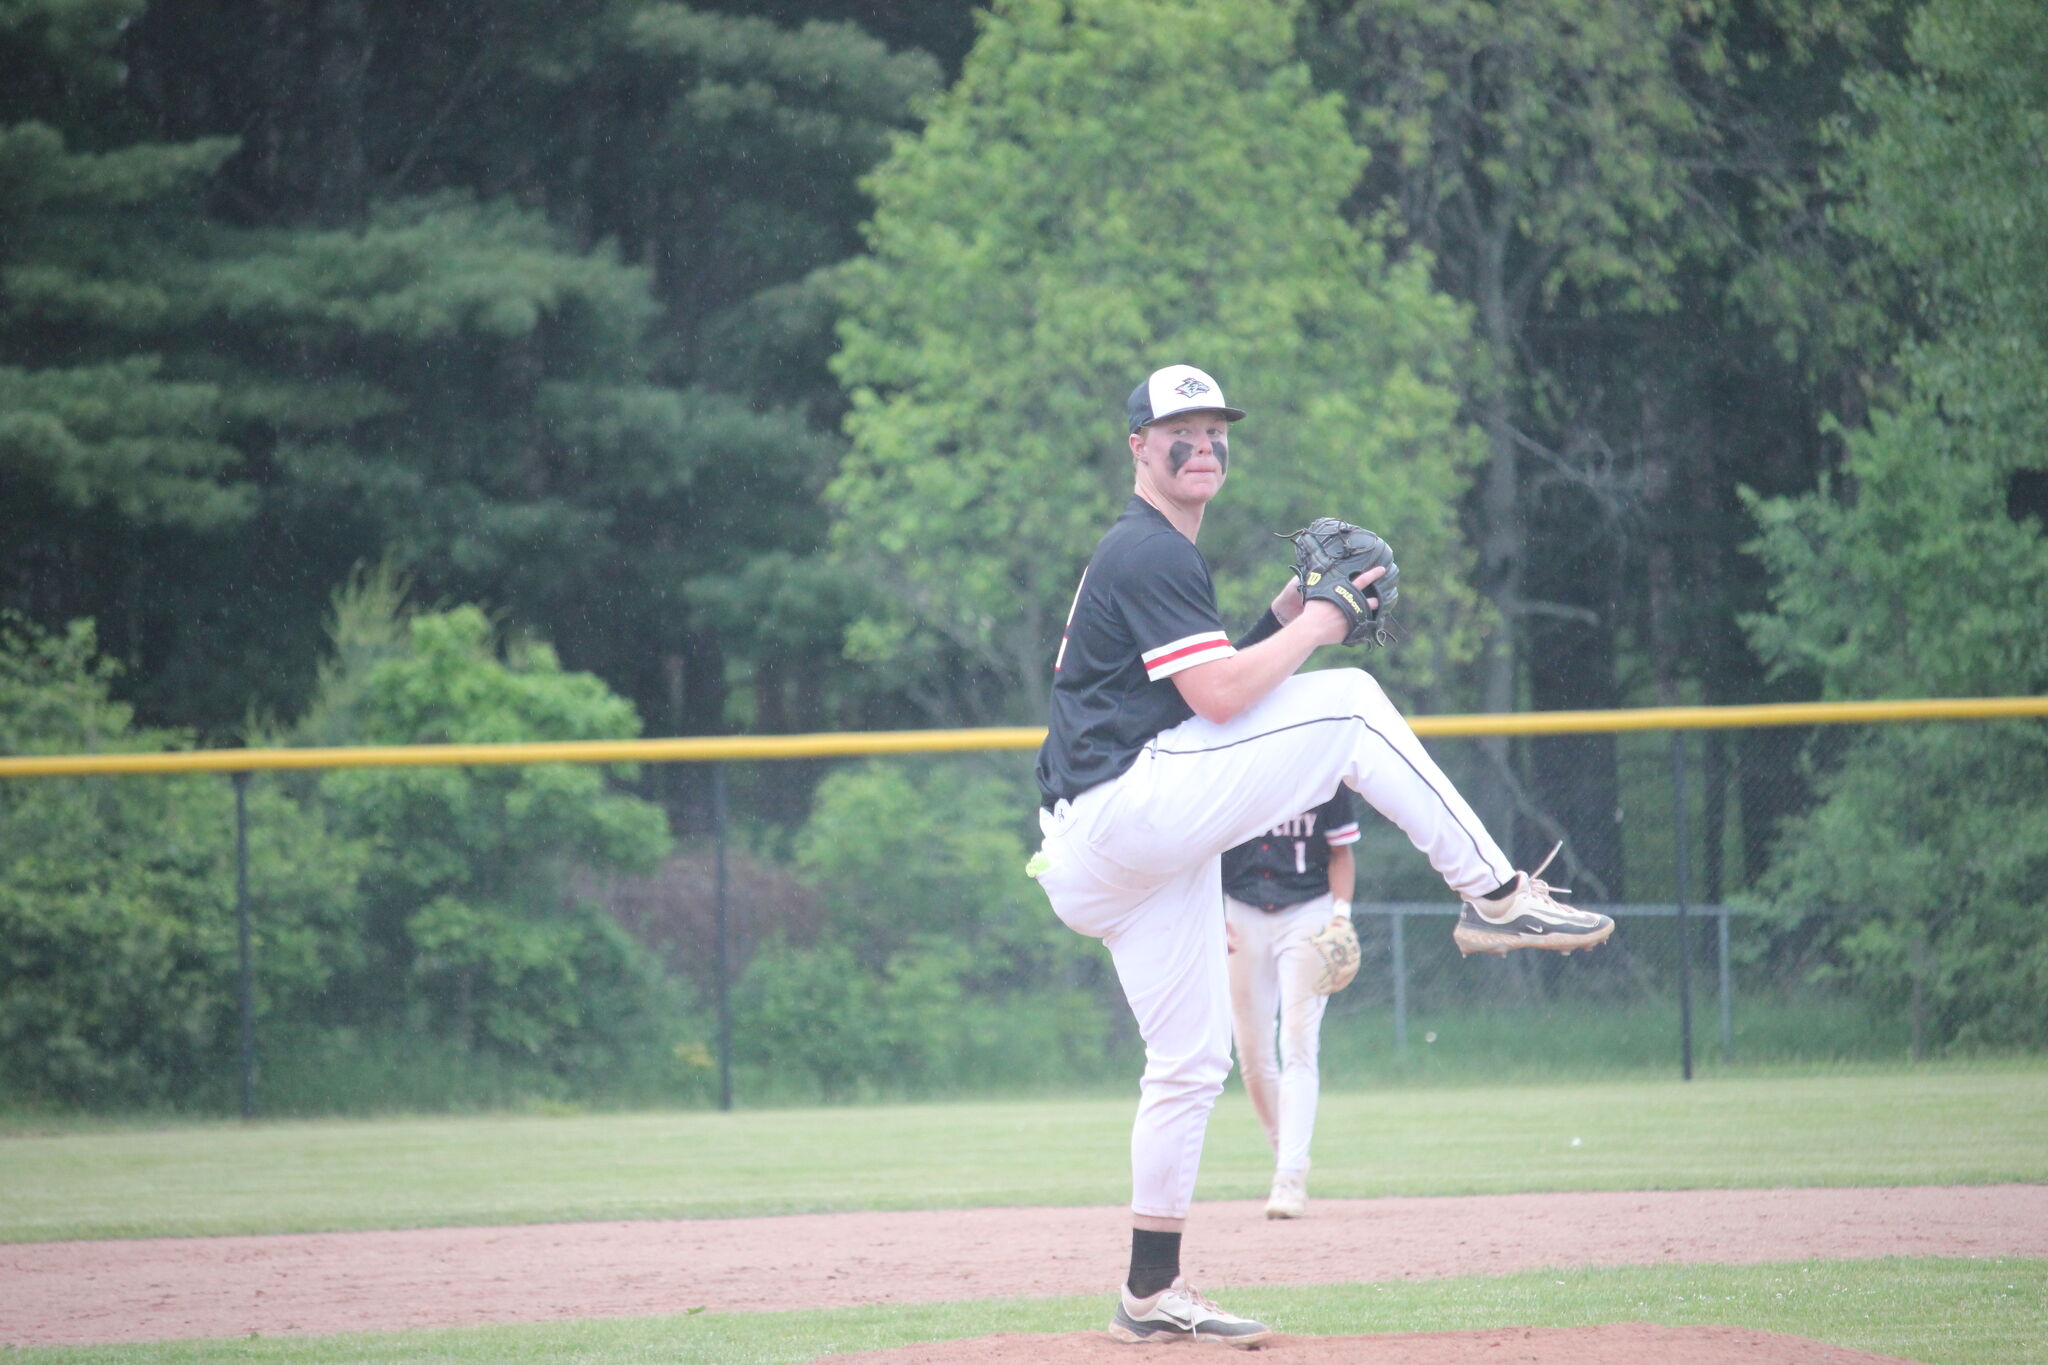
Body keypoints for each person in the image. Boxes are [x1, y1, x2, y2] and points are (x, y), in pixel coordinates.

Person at [1028, 363, 1613, 1349]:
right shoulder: (1149, 552)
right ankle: (1493, 893)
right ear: (1136, 446)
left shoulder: (1144, 557)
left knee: (1187, 1064)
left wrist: (1285, 611)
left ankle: (1149, 1291)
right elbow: (1218, 704)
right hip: (1122, 812)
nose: (1201, 443)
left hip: (1097, 851)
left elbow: (1195, 690)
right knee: (1345, 705)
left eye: (1214, 429)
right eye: (1178, 429)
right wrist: (1323, 619)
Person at [1222, 787, 1360, 1221]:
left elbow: (1341, 852)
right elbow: (1200, 854)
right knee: (1251, 1053)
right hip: (1238, 911)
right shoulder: (1232, 768)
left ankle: (1288, 1177)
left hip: (1308, 910)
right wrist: (1209, 911)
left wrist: (1341, 914)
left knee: (1298, 1039)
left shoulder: (1323, 771)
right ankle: (1290, 1154)